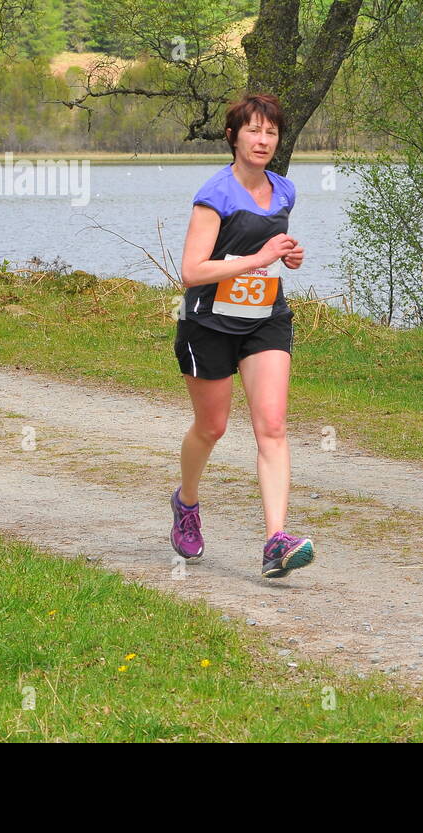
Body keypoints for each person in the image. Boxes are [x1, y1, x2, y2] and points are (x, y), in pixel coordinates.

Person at [170, 92, 314, 579]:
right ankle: (186, 503)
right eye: (253, 130)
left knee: (271, 425)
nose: (263, 139)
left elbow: (269, 249)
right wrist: (258, 259)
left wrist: (288, 256)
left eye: (271, 132)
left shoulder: (285, 190)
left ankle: (276, 539)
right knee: (212, 428)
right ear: (232, 137)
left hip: (264, 319)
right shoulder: (215, 195)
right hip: (207, 323)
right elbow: (191, 270)